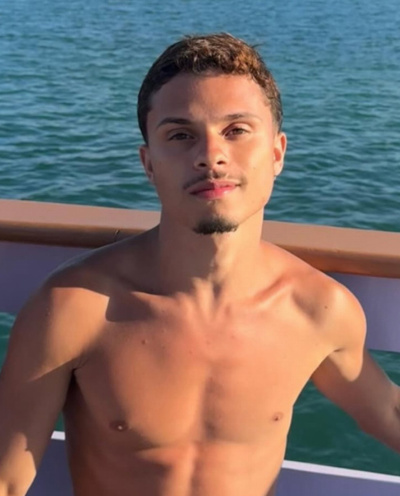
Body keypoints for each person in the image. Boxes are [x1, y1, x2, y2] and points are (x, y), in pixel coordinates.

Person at [0, 33, 399, 496]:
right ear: (149, 164)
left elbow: (387, 413)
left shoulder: (317, 309)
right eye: (180, 135)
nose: (211, 156)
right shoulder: (75, 308)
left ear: (277, 152)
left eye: (236, 130)